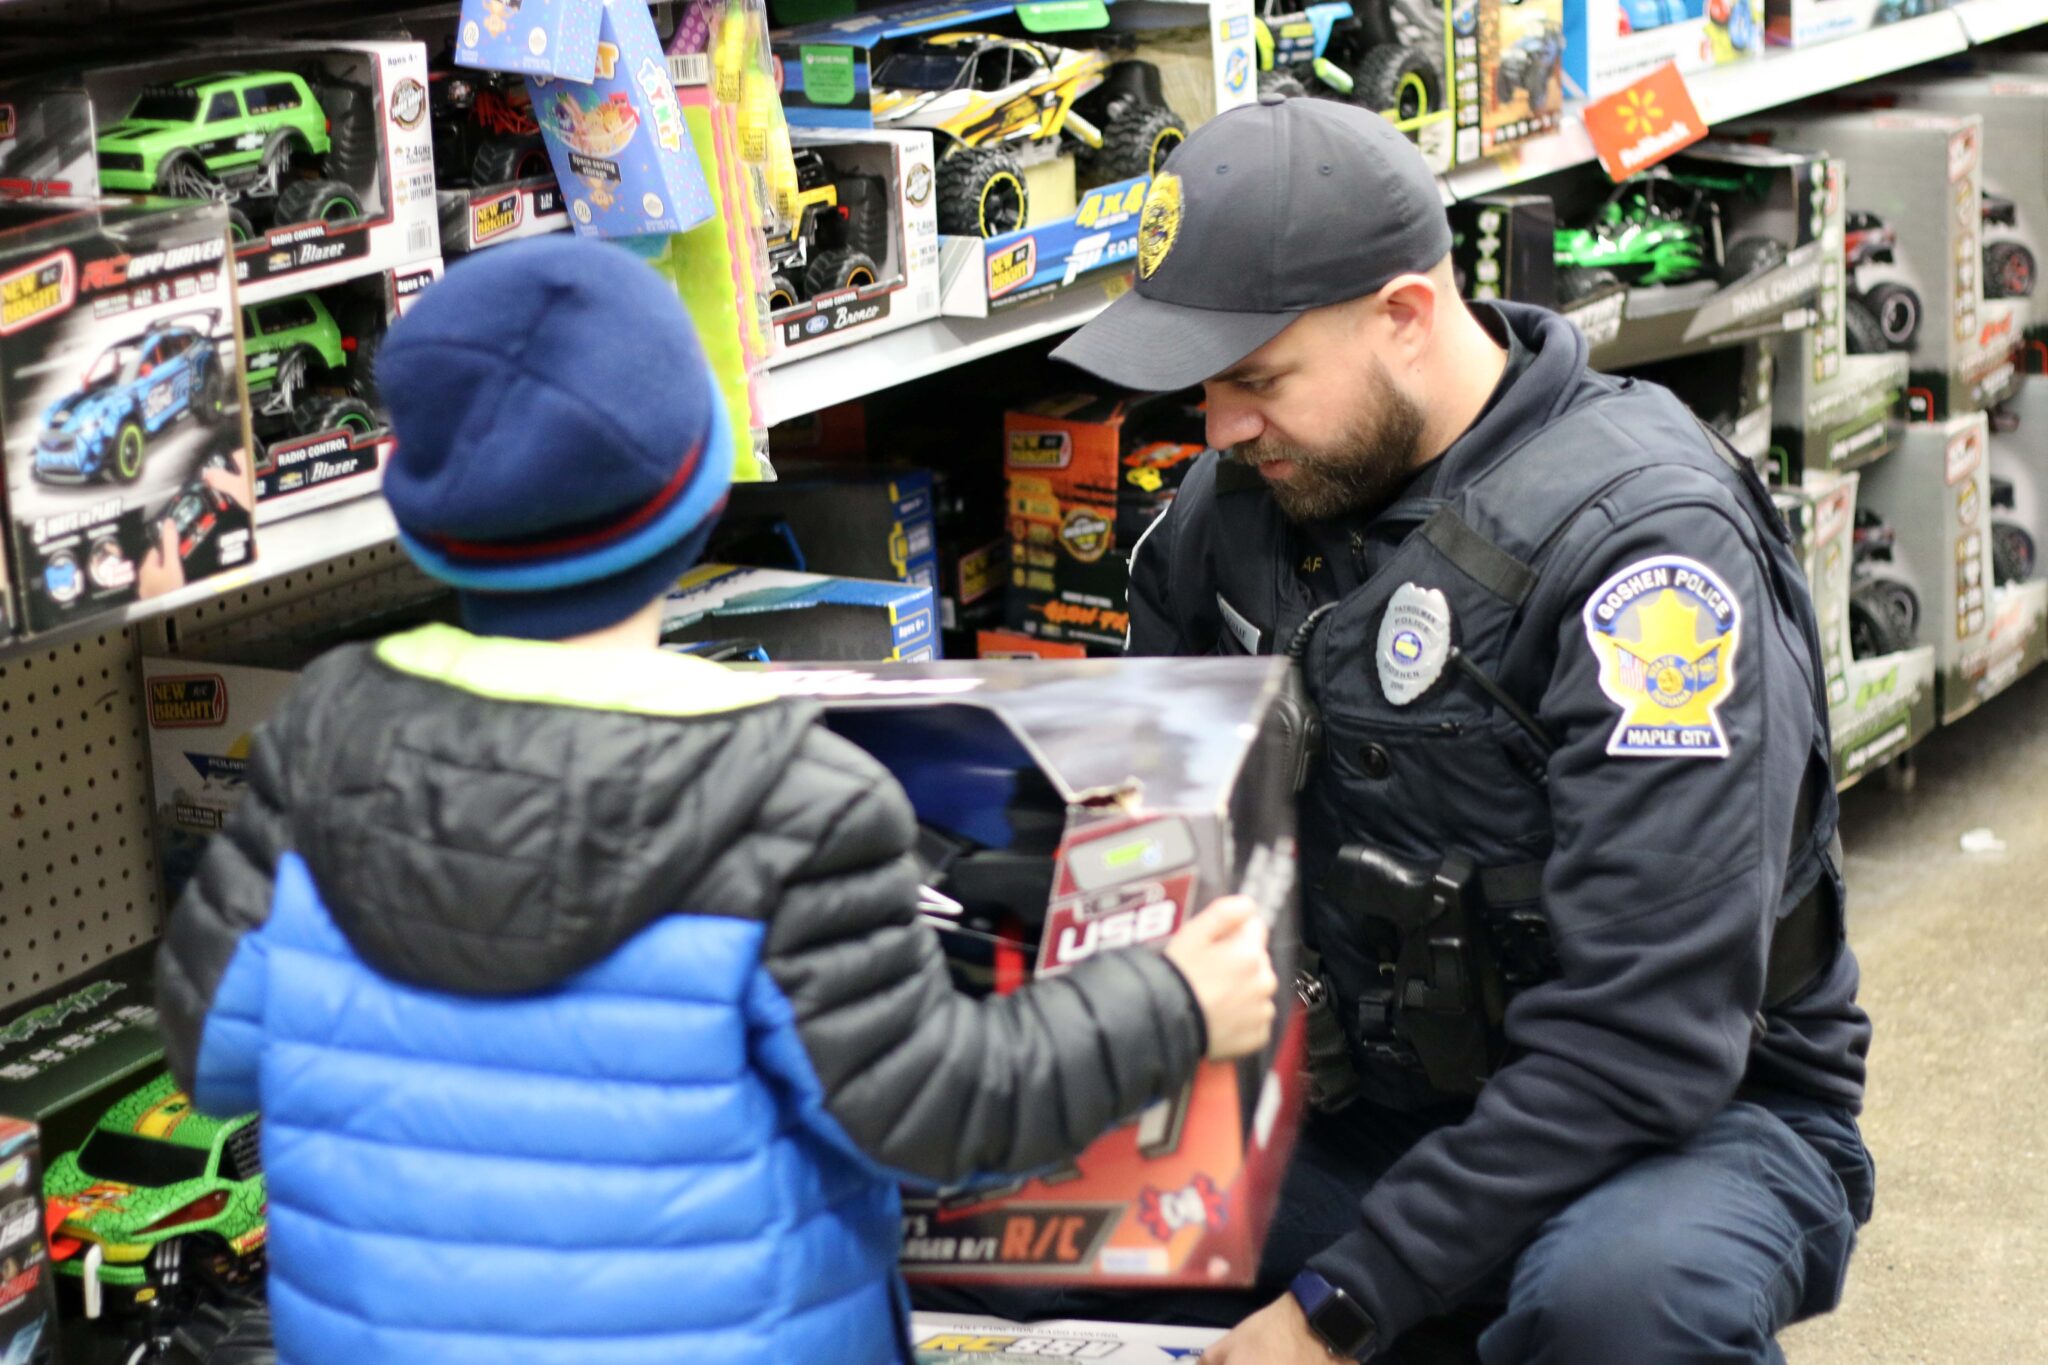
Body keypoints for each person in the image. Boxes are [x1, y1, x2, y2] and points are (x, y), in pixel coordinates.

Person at [153, 237, 1280, 1365]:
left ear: (418, 512)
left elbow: (216, 1051)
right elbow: (938, 1114)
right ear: (697, 497)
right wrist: (1171, 1001)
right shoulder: (789, 798)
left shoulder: (317, 745)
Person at [939, 96, 1876, 1363]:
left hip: (1677, 1124)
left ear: (1404, 315)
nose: (1218, 428)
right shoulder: (1223, 520)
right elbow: (1139, 857)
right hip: (1353, 1103)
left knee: (1621, 1308)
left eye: (1255, 379)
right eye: (1203, 386)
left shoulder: (1645, 551)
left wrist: (1335, 1310)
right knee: (954, 1213)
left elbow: (1648, 1035)